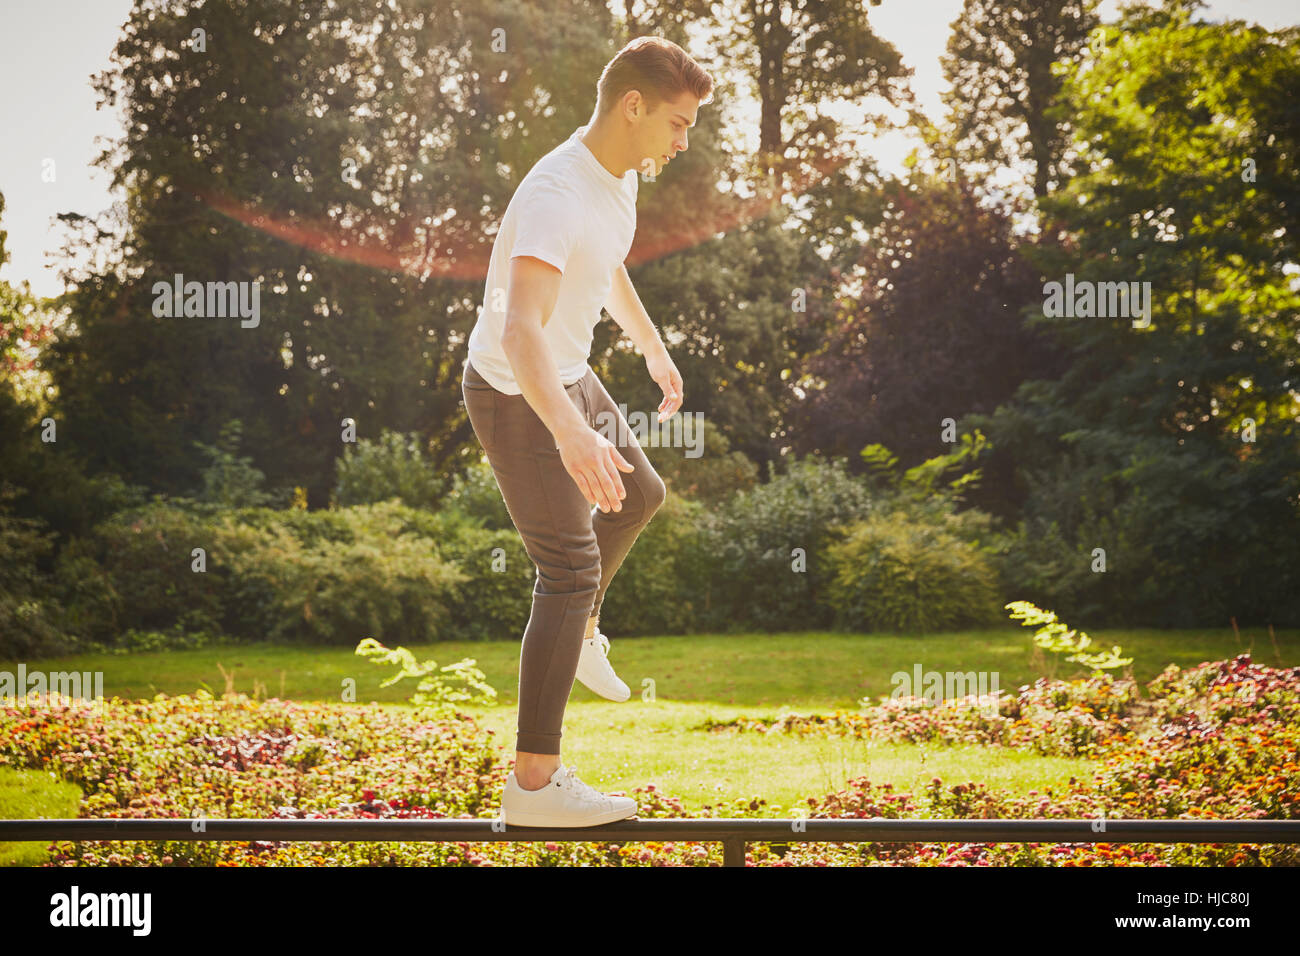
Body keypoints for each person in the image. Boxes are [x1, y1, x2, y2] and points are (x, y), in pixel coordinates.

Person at [461, 36, 713, 827]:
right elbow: (521, 332)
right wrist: (571, 434)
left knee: (641, 493)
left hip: (570, 372)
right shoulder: (554, 193)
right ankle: (534, 786)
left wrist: (651, 345)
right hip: (515, 390)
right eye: (677, 125)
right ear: (632, 107)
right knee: (567, 571)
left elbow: (605, 266)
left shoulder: (617, 178)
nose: (682, 142)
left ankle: (585, 633)